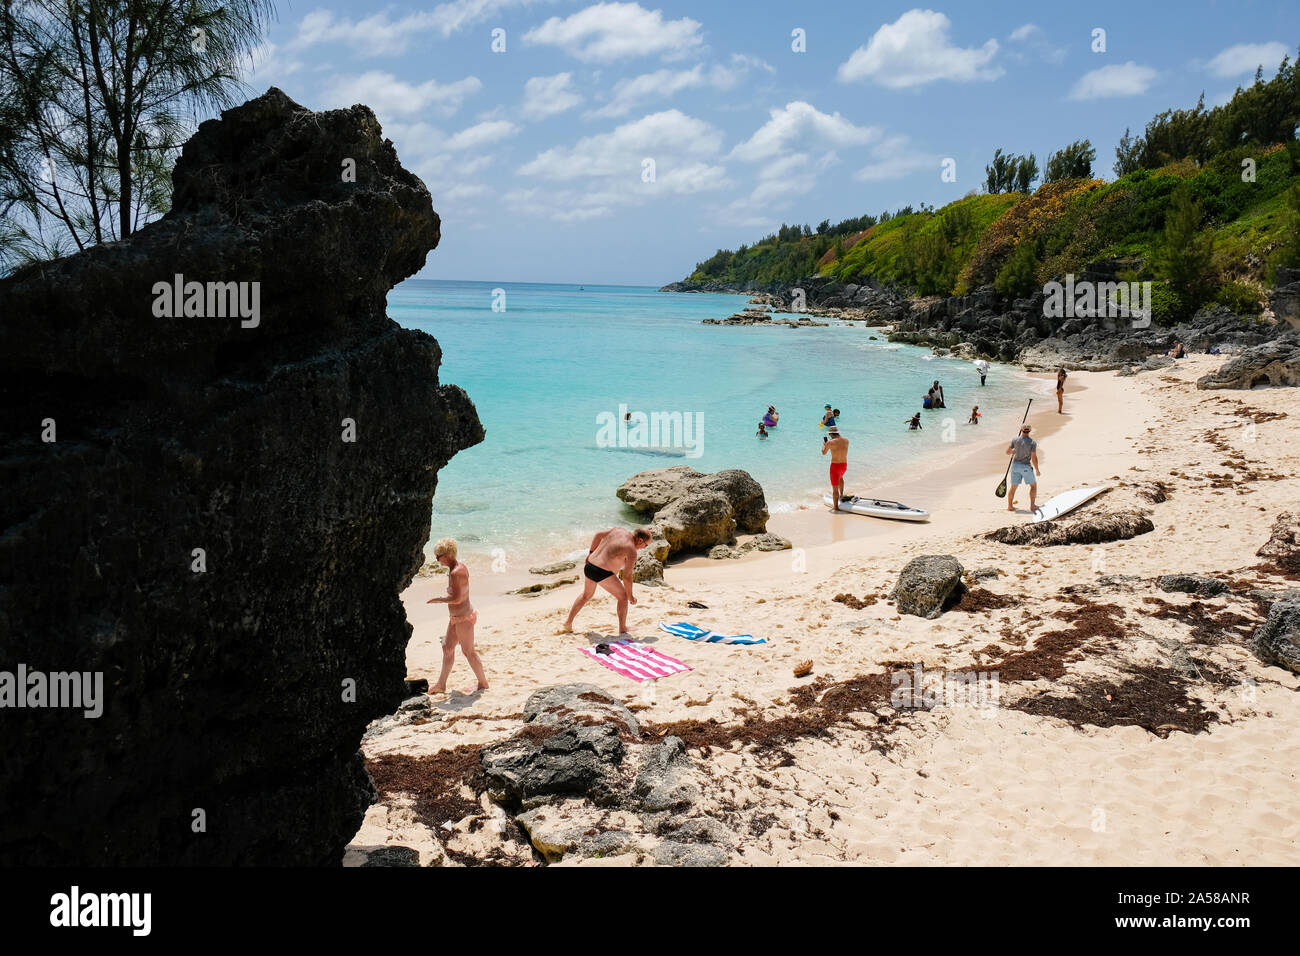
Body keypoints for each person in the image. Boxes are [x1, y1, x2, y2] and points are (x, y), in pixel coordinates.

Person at [425, 538, 489, 695]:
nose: (437, 560)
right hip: (456, 617)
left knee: (469, 652)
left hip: (464, 617)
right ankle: (441, 684)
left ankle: (483, 683)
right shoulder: (459, 567)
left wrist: (439, 599)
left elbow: (458, 598)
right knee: (447, 647)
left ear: (446, 555)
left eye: (438, 556)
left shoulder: (455, 572)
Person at [560, 527, 653, 635]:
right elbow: (626, 577)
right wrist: (630, 596)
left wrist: (591, 552)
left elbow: (598, 535)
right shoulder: (631, 550)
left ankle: (568, 622)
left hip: (589, 565)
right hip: (601, 572)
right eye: (646, 545)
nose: (644, 548)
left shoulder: (619, 530)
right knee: (623, 597)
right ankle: (622, 628)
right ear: (640, 540)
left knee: (586, 595)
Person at [1005, 424, 1041, 512]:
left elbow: (1007, 452)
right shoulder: (1032, 442)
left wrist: (1014, 451)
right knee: (1033, 486)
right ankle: (1032, 506)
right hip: (1025, 466)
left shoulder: (1015, 440)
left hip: (1015, 466)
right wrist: (1037, 469)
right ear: (1029, 431)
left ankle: (1010, 506)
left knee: (1013, 487)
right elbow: (1034, 457)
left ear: (1021, 430)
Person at [821, 425, 849, 510]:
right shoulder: (846, 440)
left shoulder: (830, 442)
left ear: (831, 434)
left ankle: (836, 507)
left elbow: (823, 452)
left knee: (835, 487)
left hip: (835, 466)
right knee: (840, 478)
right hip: (844, 465)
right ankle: (841, 495)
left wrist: (824, 445)